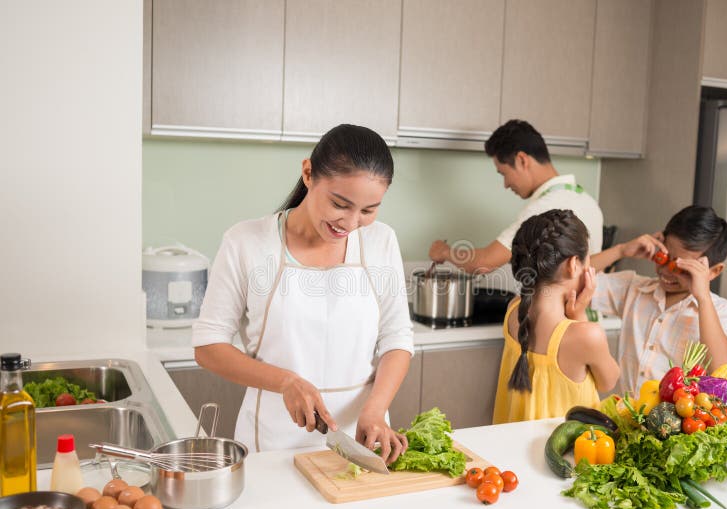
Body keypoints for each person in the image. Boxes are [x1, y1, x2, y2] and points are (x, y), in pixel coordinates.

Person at [192, 124, 414, 465]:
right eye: (340, 204)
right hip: (272, 446)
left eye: (368, 210)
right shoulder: (246, 242)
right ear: (308, 174)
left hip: (359, 445)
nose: (350, 223)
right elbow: (208, 346)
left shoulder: (381, 241)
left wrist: (376, 409)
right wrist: (285, 381)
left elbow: (397, 338)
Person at [590, 205, 727, 394]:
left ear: (714, 271)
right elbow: (570, 280)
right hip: (626, 411)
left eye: (682, 269)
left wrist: (703, 298)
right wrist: (620, 251)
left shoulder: (726, 313)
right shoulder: (633, 289)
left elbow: (723, 376)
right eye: (664, 258)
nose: (666, 271)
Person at [493, 209, 620, 423]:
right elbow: (609, 381)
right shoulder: (587, 335)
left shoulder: (513, 309)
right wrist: (580, 315)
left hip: (510, 442)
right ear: (573, 265)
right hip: (564, 445)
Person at [428, 120, 604, 274]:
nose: (505, 184)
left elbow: (483, 264)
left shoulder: (545, 208)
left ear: (522, 160)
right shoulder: (587, 200)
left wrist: (444, 252)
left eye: (503, 173)